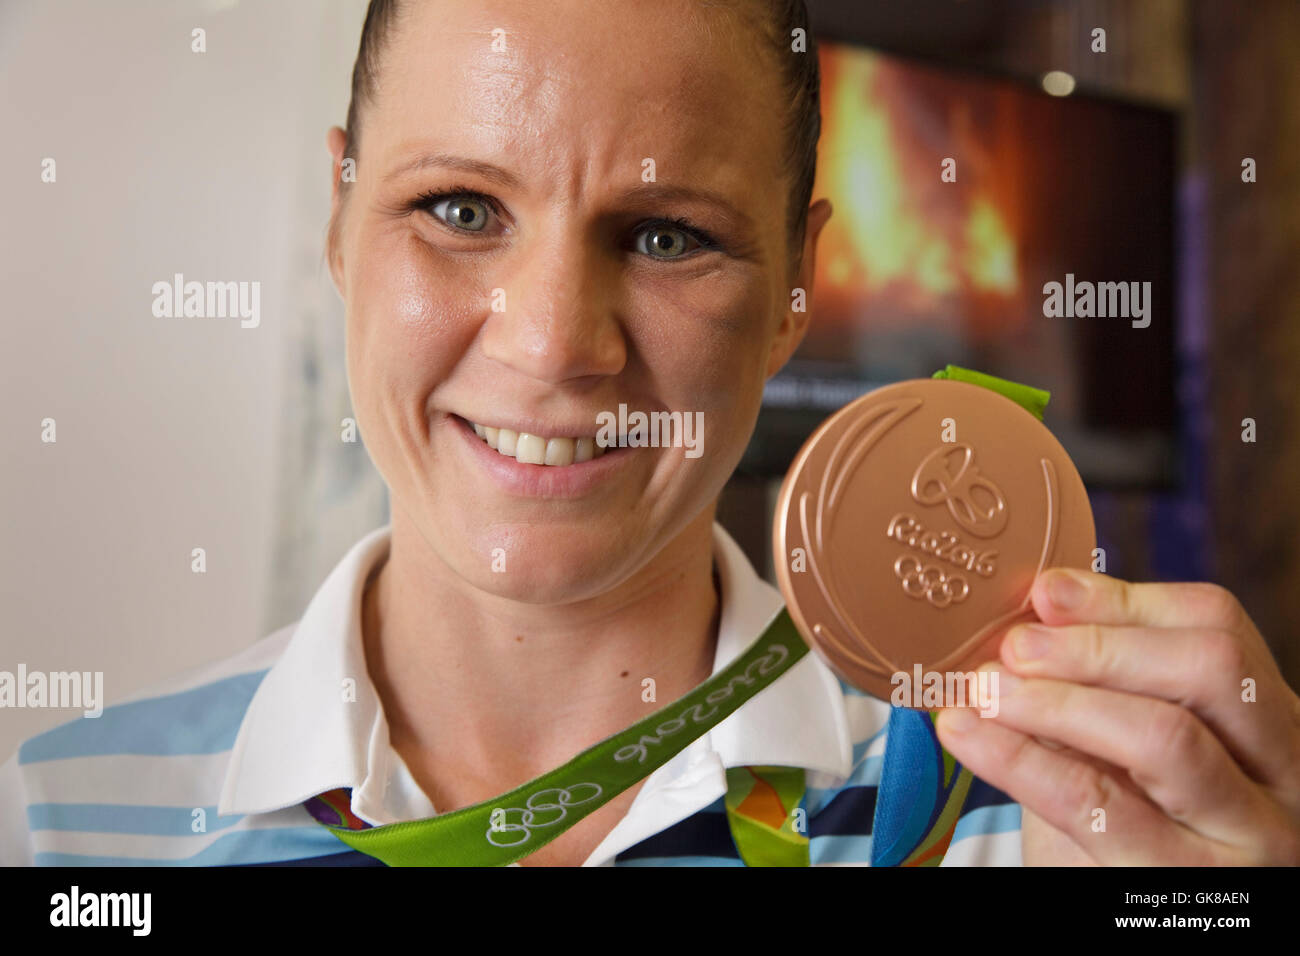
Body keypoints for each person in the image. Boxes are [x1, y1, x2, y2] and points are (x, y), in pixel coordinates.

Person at [2, 0, 1297, 867]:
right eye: (458, 207)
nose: (556, 341)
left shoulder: (1032, 818)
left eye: (668, 235)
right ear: (341, 226)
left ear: (797, 286)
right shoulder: (67, 821)